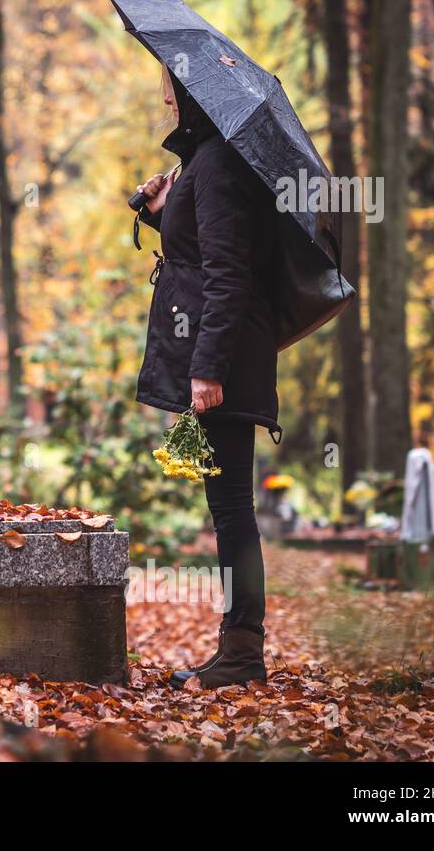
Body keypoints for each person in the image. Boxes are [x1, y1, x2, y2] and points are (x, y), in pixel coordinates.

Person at [133, 66, 281, 689]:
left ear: (193, 94)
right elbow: (193, 250)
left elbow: (229, 275)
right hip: (221, 357)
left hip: (226, 361)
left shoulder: (218, 165)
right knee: (228, 509)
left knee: (232, 511)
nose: (166, 96)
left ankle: (244, 652)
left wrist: (207, 371)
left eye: (172, 85)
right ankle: (238, 648)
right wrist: (157, 207)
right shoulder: (205, 164)